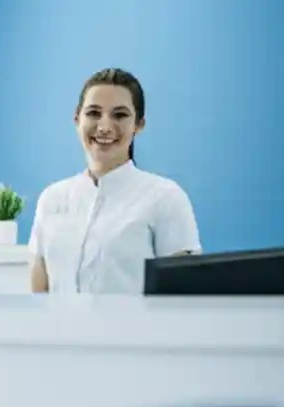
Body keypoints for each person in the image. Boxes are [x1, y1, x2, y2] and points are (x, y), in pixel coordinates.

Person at [29, 68, 201, 294]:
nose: (105, 126)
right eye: (93, 113)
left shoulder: (165, 197)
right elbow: (39, 293)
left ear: (139, 125)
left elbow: (183, 295)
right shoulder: (52, 199)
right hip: (60, 330)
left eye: (120, 115)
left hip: (135, 330)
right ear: (76, 119)